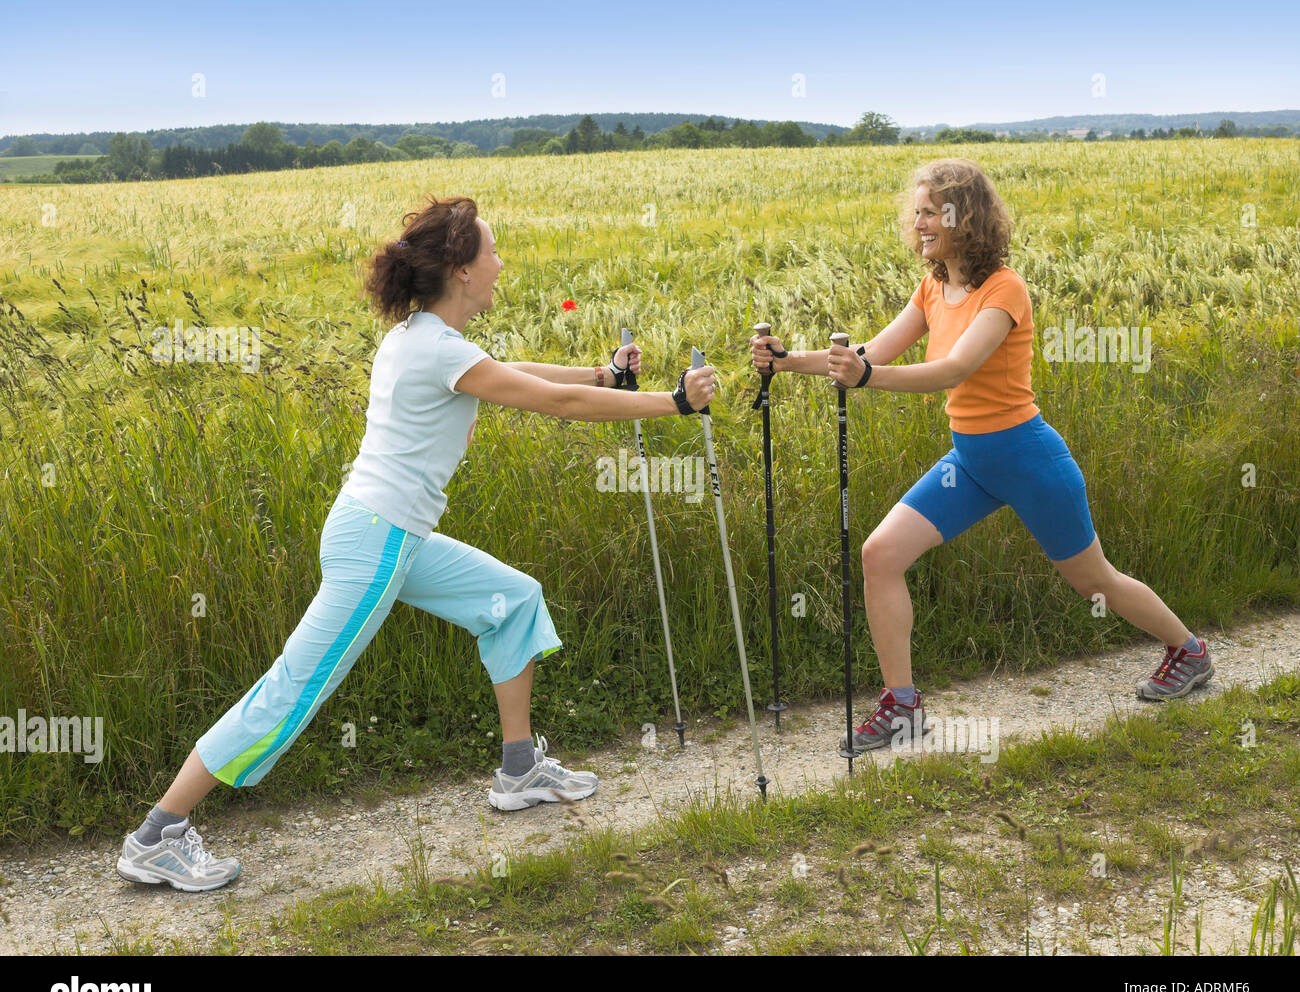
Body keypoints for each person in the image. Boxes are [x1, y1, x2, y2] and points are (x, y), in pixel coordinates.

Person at [117, 195, 717, 891]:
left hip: (386, 535)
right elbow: (553, 403)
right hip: (378, 541)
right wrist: (673, 403)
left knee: (512, 600)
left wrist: (604, 374)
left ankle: (519, 768)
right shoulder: (435, 348)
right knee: (293, 687)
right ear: (462, 270)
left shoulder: (428, 340)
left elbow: (521, 374)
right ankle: (158, 833)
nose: (501, 264)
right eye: (492, 252)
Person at [750, 159, 1212, 753]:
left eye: (927, 212)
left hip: (1026, 458)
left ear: (960, 216)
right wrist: (789, 362)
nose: (917, 223)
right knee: (880, 555)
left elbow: (954, 368)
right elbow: (869, 352)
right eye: (914, 212)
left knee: (1093, 580)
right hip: (970, 461)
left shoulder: (1004, 289)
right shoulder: (933, 287)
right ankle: (903, 706)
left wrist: (866, 378)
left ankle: (1189, 651)